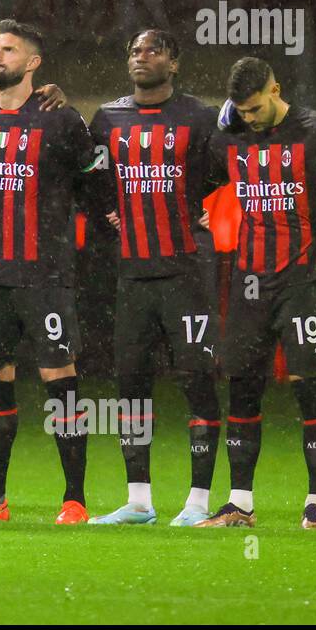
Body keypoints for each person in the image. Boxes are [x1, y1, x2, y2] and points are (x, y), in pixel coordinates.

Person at [0, 21, 102, 524]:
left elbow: (94, 181)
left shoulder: (61, 119)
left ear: (33, 63)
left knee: (60, 381)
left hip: (46, 275)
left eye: (8, 49)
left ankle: (74, 499)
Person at [197, 57, 316, 529]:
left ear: (277, 90)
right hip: (249, 280)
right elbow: (197, 175)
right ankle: (240, 502)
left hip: (302, 279)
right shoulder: (230, 136)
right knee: (242, 385)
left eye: (257, 108)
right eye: (241, 110)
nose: (251, 117)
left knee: (309, 386)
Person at [87, 29, 224, 527]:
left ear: (175, 62)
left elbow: (226, 171)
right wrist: (109, 215)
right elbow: (92, 179)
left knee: (197, 380)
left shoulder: (200, 117)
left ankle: (198, 502)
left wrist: (203, 210)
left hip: (186, 271)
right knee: (131, 384)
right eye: (134, 50)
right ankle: (139, 501)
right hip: (133, 274)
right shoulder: (107, 118)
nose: (141, 57)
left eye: (153, 50)